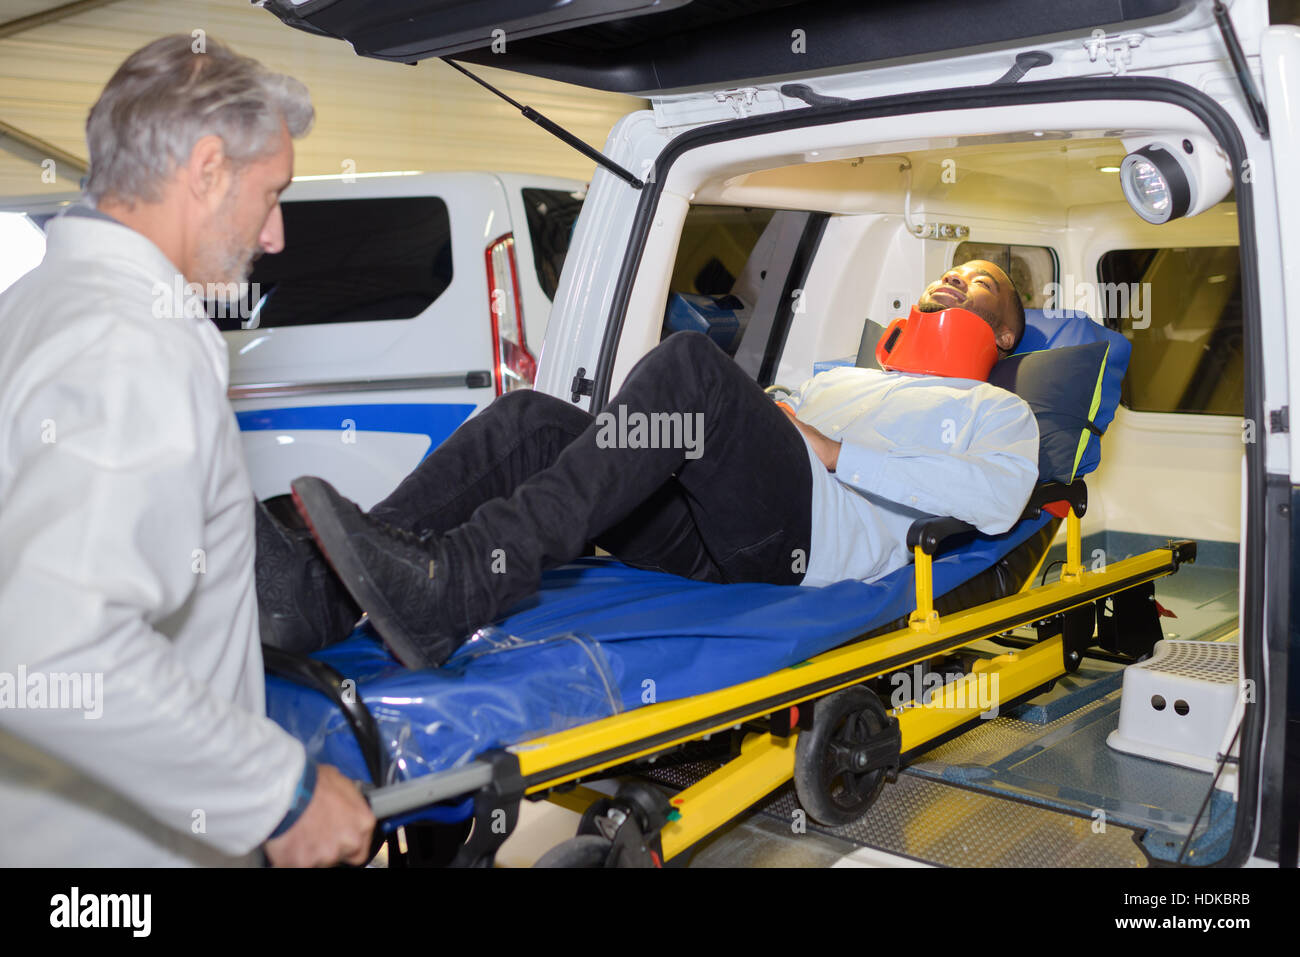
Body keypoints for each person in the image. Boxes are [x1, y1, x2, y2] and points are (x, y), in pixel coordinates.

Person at [278, 259, 1040, 671]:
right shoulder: (844, 375)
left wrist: (836, 449)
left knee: (691, 364)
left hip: (810, 542)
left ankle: (462, 582)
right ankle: (327, 594)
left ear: (1006, 332)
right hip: (718, 530)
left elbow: (1000, 496)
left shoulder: (999, 412)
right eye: (950, 271)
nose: (953, 280)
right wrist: (780, 415)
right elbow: (763, 425)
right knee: (533, 420)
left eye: (979, 283)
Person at [0, 35, 373, 866]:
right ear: (206, 170)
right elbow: (52, 642)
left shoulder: (34, 306)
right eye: (271, 193)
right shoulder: (128, 342)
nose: (275, 234)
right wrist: (281, 793)